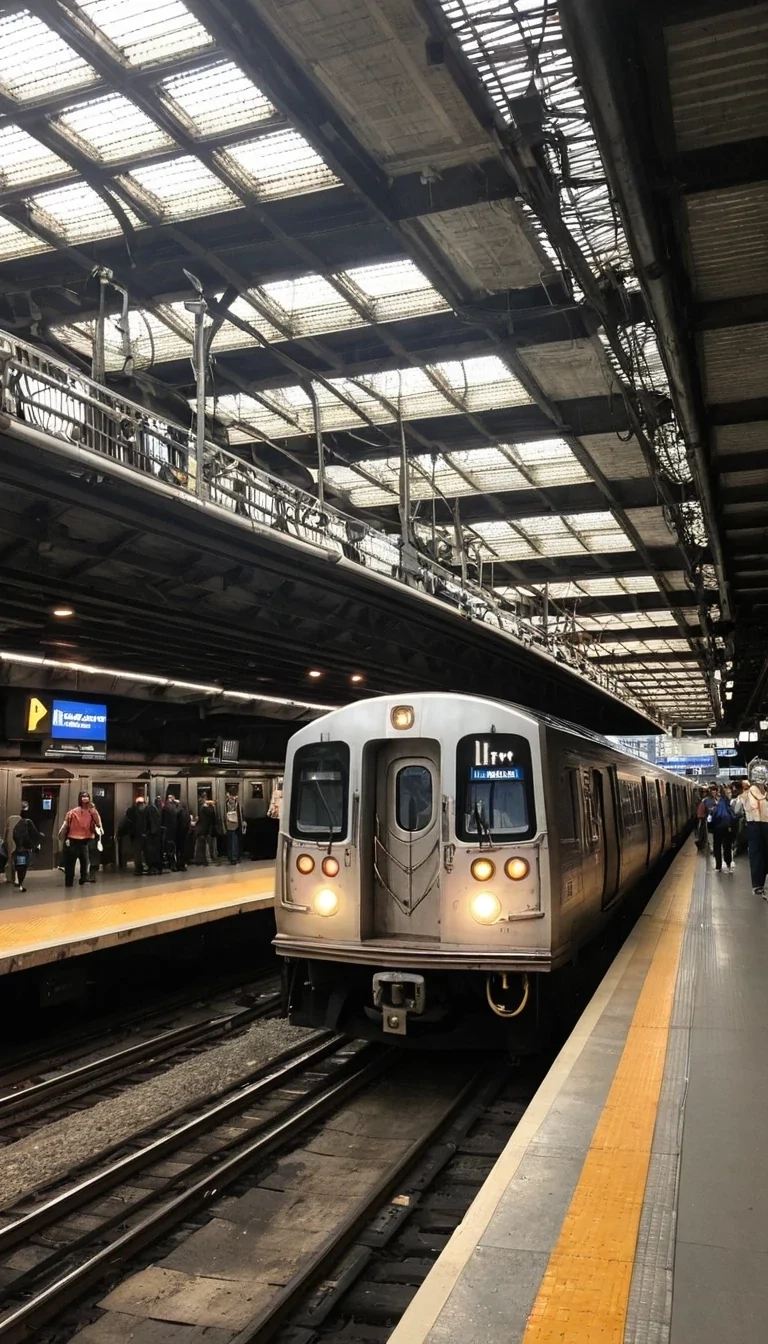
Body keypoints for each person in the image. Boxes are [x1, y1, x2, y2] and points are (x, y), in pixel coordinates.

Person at [59, 791, 103, 888]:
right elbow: (98, 824)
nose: (85, 799)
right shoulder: (90, 812)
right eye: (84, 797)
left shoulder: (73, 812)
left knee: (73, 863)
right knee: (83, 862)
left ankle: (70, 882)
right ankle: (82, 879)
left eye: (86, 797)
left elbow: (64, 826)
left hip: (76, 841)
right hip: (80, 841)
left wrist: (61, 836)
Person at [119, 796, 160, 876]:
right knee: (148, 853)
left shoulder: (131, 811)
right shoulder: (150, 809)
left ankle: (139, 869)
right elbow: (154, 822)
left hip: (136, 835)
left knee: (137, 853)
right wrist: (153, 832)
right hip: (147, 835)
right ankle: (151, 868)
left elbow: (126, 822)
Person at [743, 773, 768, 898]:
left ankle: (759, 884)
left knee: (758, 855)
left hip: (758, 825)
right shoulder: (749, 794)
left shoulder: (761, 793)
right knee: (758, 855)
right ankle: (759, 884)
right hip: (757, 825)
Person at [11, 803, 41, 893]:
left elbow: (14, 835)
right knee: (24, 867)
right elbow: (35, 834)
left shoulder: (18, 823)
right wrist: (35, 844)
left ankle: (19, 882)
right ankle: (20, 883)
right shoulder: (29, 822)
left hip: (19, 848)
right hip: (26, 849)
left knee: (20, 866)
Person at [710, 787, 736, 874]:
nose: (730, 794)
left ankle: (718, 866)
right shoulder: (727, 804)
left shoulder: (718, 805)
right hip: (726, 828)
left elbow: (713, 817)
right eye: (728, 793)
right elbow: (730, 817)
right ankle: (728, 865)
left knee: (717, 847)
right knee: (727, 847)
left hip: (717, 829)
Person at [162, 792, 190, 871]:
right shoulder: (169, 806)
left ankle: (178, 864)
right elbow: (175, 812)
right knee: (174, 849)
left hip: (178, 831)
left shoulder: (178, 806)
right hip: (174, 831)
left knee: (178, 849)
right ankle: (175, 864)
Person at [195, 796, 220, 866]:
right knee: (207, 845)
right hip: (205, 830)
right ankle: (207, 859)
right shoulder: (205, 809)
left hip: (203, 829)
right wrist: (211, 804)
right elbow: (210, 813)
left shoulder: (202, 808)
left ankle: (202, 859)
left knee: (203, 845)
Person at [223, 789, 245, 865]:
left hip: (230, 825)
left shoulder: (227, 803)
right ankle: (234, 858)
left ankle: (231, 857)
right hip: (233, 825)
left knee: (230, 842)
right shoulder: (232, 803)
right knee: (234, 842)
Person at [695, 784, 719, 850]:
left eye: (715, 791)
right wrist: (703, 817)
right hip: (709, 820)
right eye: (712, 791)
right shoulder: (705, 801)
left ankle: (715, 846)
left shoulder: (719, 800)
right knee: (710, 834)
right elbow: (700, 812)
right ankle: (711, 847)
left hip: (718, 820)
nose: (714, 793)